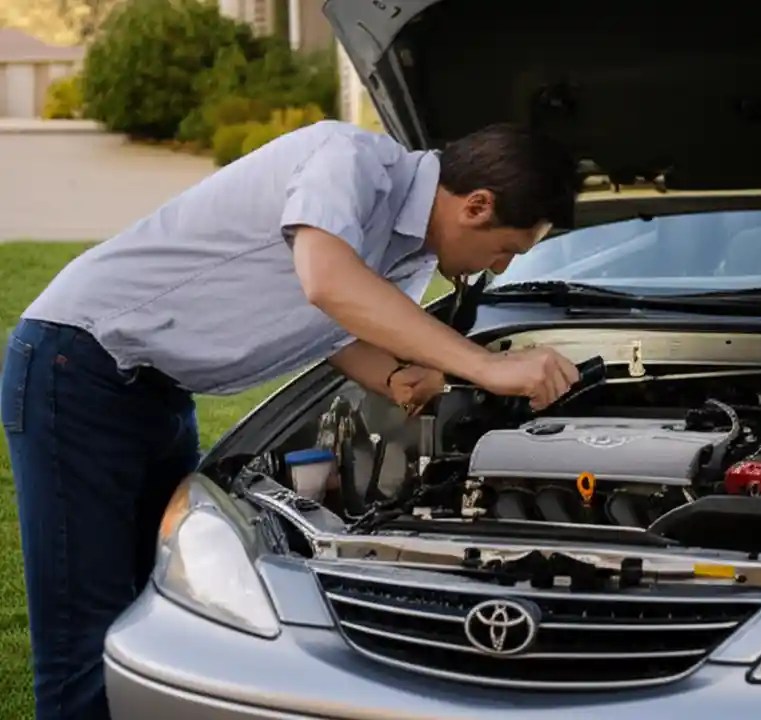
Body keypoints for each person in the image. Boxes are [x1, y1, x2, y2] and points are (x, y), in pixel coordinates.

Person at [0, 119, 583, 719]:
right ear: (477, 205)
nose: (501, 268)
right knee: (83, 632)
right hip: (78, 365)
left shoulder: (411, 257)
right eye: (508, 250)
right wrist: (485, 366)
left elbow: (334, 332)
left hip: (160, 392)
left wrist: (397, 378)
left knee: (165, 611)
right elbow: (327, 281)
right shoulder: (348, 160)